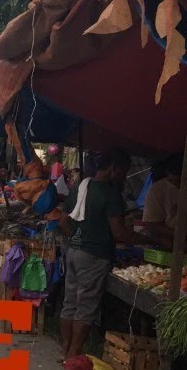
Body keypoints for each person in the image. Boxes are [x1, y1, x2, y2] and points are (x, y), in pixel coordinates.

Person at [59, 150, 152, 359]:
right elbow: (119, 232)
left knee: (70, 303)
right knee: (86, 307)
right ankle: (74, 355)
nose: (124, 177)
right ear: (113, 169)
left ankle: (65, 350)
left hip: (73, 251)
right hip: (94, 255)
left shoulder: (79, 187)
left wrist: (76, 238)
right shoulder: (111, 195)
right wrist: (147, 240)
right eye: (123, 171)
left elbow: (63, 222)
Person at [142, 153, 181, 248]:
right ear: (168, 173)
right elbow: (151, 223)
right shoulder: (157, 190)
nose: (180, 184)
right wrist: (178, 234)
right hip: (171, 244)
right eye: (177, 180)